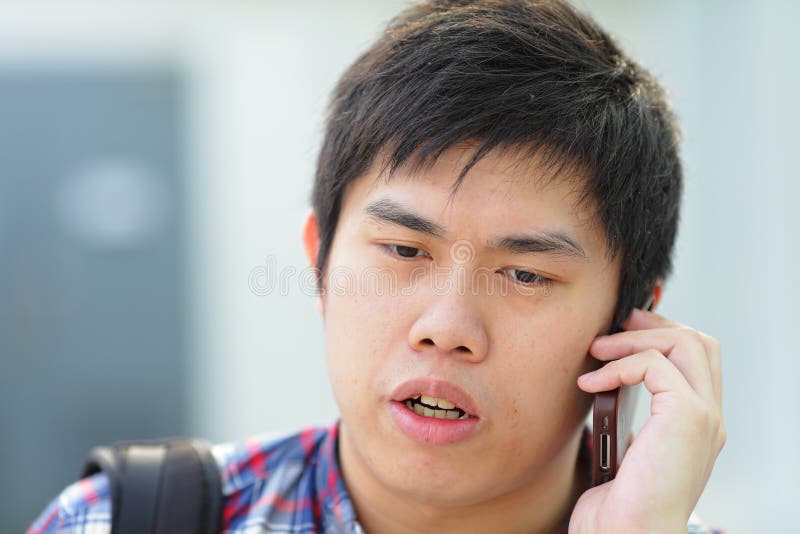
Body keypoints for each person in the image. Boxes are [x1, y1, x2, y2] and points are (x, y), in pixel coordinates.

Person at [29, 0, 726, 532]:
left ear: (630, 322)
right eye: (402, 250)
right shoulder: (117, 521)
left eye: (526, 274)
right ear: (320, 265)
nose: (447, 328)